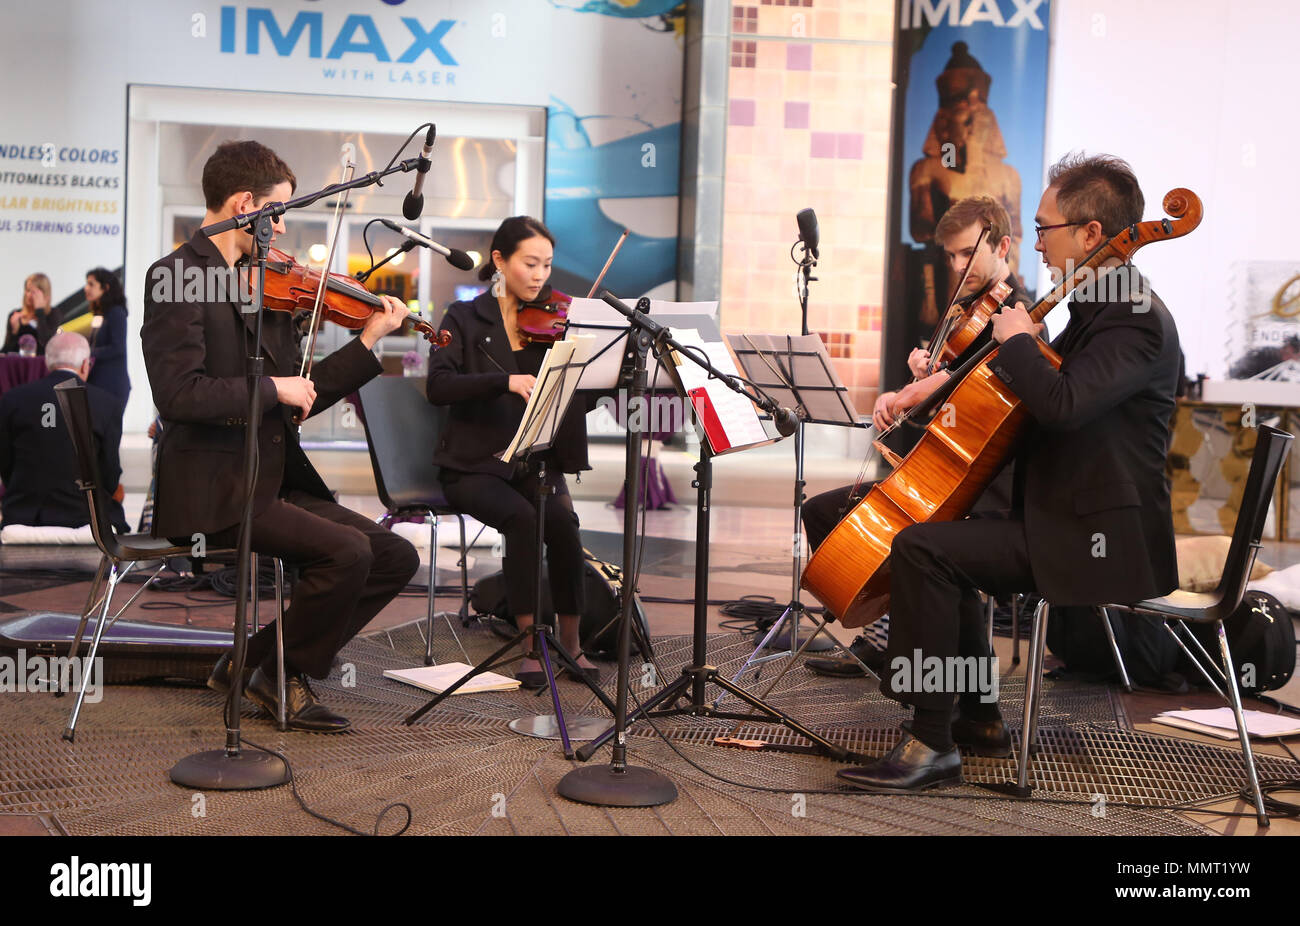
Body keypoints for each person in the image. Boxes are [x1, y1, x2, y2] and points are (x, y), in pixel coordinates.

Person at [836, 153, 1181, 792]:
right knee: (941, 541)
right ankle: (974, 716)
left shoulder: (1135, 319)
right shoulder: (1098, 311)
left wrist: (1020, 340)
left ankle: (930, 743)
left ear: (1091, 234)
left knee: (921, 549)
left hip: (1097, 536)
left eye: (1045, 229)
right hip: (1057, 515)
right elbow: (1028, 406)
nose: (1038, 244)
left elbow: (1064, 405)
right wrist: (943, 387)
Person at [141, 139, 419, 732]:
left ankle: (257, 662)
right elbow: (179, 395)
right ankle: (279, 675)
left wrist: (367, 342)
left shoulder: (262, 283)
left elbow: (300, 397)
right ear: (246, 204)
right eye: (280, 210)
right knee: (347, 552)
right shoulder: (176, 277)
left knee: (395, 556)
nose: (285, 226)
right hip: (214, 486)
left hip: (270, 477)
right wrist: (273, 388)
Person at [802, 195, 1032, 677]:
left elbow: (990, 407)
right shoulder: (968, 312)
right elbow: (950, 401)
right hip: (936, 472)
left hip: (978, 484)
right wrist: (914, 387)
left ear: (1002, 246)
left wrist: (937, 383)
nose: (957, 265)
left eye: (967, 252)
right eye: (950, 255)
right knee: (823, 511)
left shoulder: (1020, 318)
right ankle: (883, 633)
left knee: (887, 532)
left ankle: (894, 643)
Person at [426, 216, 595, 688]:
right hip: (472, 465)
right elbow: (438, 386)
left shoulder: (555, 321)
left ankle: (572, 643)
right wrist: (503, 381)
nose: (540, 276)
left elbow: (575, 397)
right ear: (499, 260)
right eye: (530, 263)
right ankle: (530, 644)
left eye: (547, 265)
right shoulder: (463, 318)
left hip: (532, 462)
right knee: (524, 520)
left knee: (563, 523)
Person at [0, 332, 127, 532]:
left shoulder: (12, 399)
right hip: (86, 518)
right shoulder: (107, 404)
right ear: (85, 365)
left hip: (25, 516)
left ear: (47, 363)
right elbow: (109, 475)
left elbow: (6, 465)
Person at [83, 268, 131, 411]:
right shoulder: (100, 314)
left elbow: (117, 348)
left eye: (91, 284)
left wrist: (87, 352)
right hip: (98, 382)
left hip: (111, 385)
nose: (86, 288)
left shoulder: (116, 313)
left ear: (106, 287)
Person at [3, 273, 62, 355]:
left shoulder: (53, 314)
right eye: (27, 290)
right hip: (19, 362)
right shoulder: (15, 315)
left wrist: (39, 311)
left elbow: (46, 341)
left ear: (44, 294)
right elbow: (6, 351)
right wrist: (14, 332)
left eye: (34, 292)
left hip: (41, 362)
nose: (29, 295)